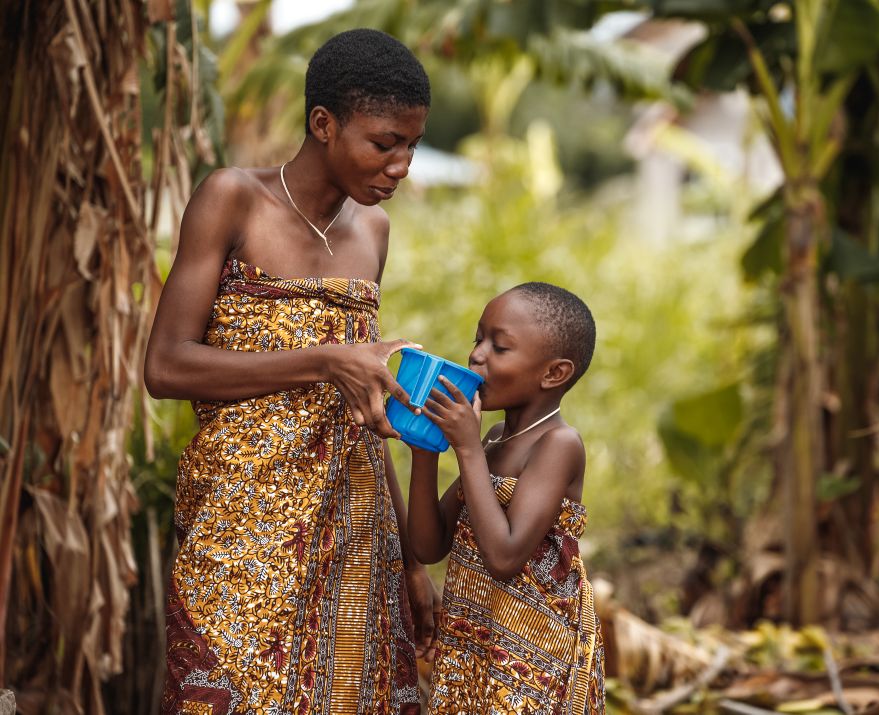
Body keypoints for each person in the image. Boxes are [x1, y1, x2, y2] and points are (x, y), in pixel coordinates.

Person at [144, 28, 436, 714]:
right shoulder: (233, 198)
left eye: (411, 147)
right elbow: (165, 364)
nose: (400, 165)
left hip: (356, 528)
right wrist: (325, 359)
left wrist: (413, 562)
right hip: (238, 520)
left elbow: (365, 402)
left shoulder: (373, 232)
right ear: (323, 123)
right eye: (385, 142)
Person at [406, 282, 606, 714]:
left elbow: (504, 556)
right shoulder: (494, 440)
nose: (477, 354)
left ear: (553, 373)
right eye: (478, 338)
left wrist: (466, 449)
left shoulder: (558, 445)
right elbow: (428, 545)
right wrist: (425, 449)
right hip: (473, 646)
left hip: (533, 660)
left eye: (500, 347)